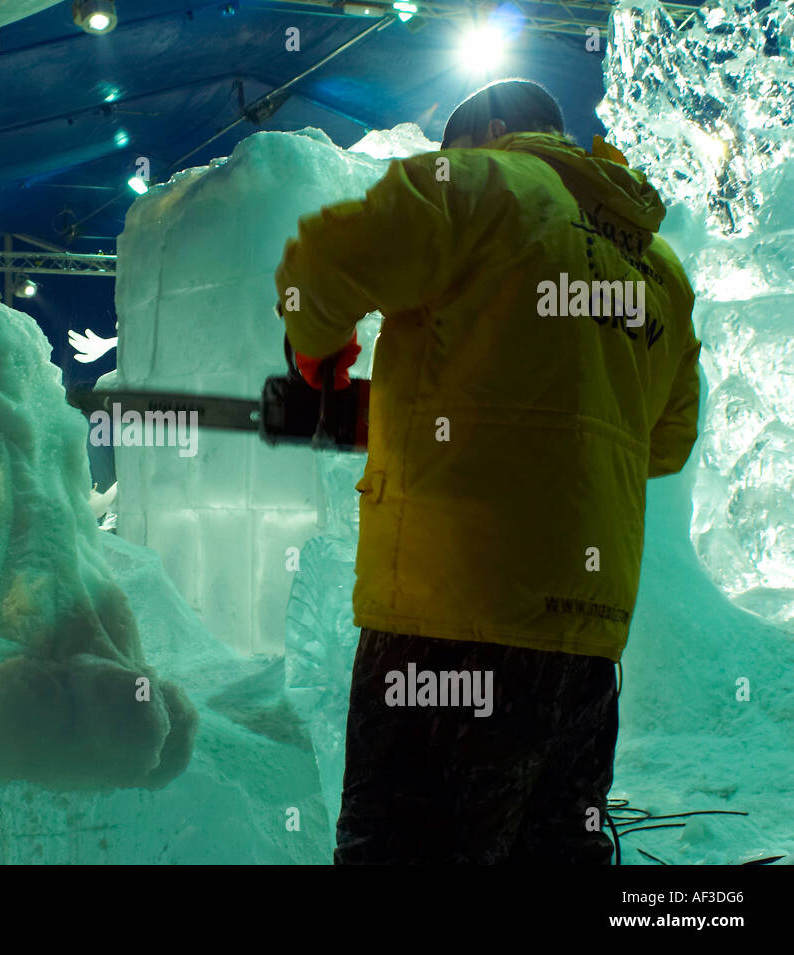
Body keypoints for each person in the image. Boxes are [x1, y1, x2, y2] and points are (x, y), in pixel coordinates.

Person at [274, 78, 702, 864]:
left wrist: (317, 355)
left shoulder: (484, 183)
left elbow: (322, 261)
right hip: (585, 643)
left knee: (402, 849)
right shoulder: (660, 270)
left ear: (493, 131)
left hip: (447, 620)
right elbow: (661, 442)